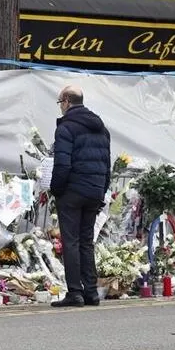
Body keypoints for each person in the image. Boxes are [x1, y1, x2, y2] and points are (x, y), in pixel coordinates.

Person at [49, 85, 111, 308]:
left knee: (71, 242)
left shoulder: (66, 128)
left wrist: (56, 189)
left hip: (73, 192)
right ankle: (91, 292)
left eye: (60, 103)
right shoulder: (101, 128)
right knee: (87, 242)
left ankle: (75, 292)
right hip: (94, 191)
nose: (60, 108)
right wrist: (101, 190)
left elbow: (62, 164)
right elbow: (107, 165)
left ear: (66, 101)